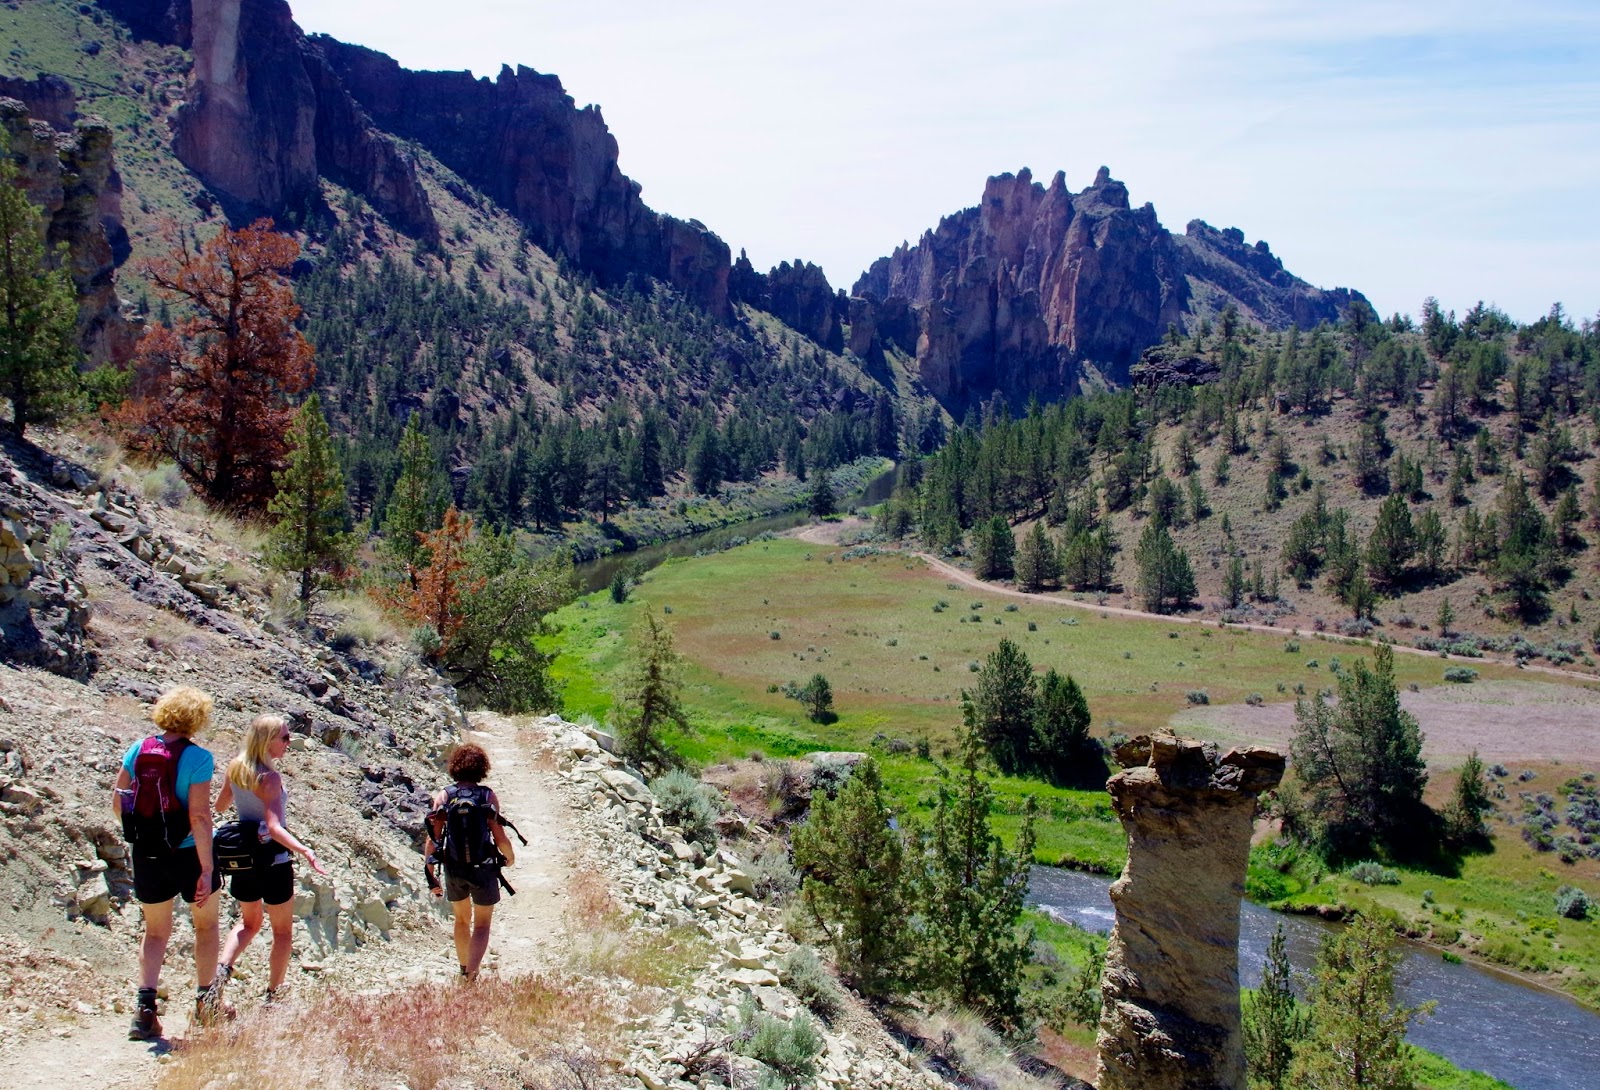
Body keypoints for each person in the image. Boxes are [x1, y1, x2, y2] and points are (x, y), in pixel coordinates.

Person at [113, 686, 220, 1041]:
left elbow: (118, 802)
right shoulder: (199, 757)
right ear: (197, 718)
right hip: (187, 851)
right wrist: (206, 869)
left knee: (155, 931)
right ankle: (207, 1004)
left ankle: (144, 1012)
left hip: (147, 853)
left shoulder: (137, 749)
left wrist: (144, 835)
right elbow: (200, 816)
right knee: (205, 926)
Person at [212, 714, 328, 1008]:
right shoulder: (270, 777)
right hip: (273, 860)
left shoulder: (236, 767)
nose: (288, 743)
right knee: (282, 932)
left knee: (248, 923)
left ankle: (217, 978)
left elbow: (221, 805)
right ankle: (273, 997)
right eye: (284, 738)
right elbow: (275, 826)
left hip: (244, 858)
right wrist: (305, 851)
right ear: (268, 741)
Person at [425, 743, 515, 981]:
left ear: (455, 767)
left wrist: (430, 873)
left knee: (462, 920)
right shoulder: (486, 796)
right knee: (482, 925)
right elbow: (499, 835)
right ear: (482, 768)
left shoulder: (445, 796)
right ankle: (471, 976)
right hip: (483, 868)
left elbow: (432, 839)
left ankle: (464, 968)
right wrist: (510, 857)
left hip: (454, 869)